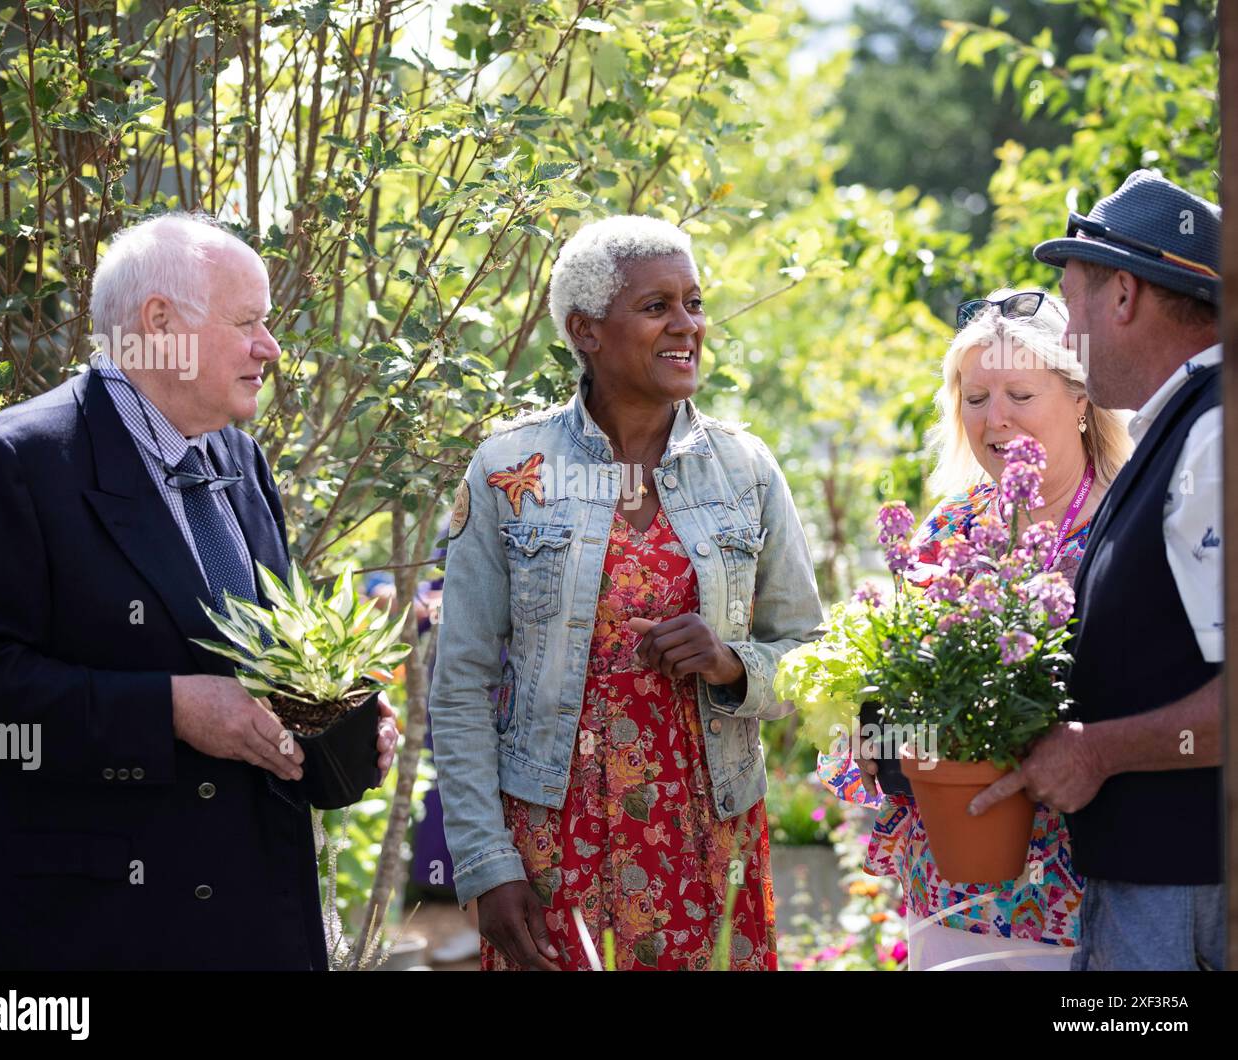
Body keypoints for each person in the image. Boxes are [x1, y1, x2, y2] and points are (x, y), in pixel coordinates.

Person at [0, 212, 398, 970]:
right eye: (248, 321)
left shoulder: (239, 460)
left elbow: (261, 663)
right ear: (160, 322)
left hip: (252, 920)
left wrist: (334, 720)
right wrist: (170, 711)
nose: (270, 348)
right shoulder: (16, 463)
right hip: (87, 933)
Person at [428, 215, 824, 970]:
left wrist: (735, 665)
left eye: (695, 303)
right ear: (586, 330)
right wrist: (485, 863)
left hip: (709, 839)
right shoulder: (512, 469)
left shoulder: (745, 470)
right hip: (553, 842)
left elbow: (811, 655)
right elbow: (461, 685)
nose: (687, 326)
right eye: (657, 307)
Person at [820, 287, 1132, 970]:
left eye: (1020, 395)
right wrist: (886, 740)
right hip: (955, 885)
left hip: (1087, 893)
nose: (996, 420)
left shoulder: (1127, 526)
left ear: (1082, 400)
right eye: (975, 397)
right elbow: (889, 702)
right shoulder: (948, 530)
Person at [972, 170, 1225, 971]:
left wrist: (1100, 750)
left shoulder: (1213, 435)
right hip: (1159, 883)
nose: (1067, 331)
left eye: (1071, 299)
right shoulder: (1184, 426)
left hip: (1186, 892)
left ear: (1122, 294)